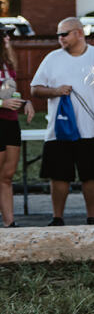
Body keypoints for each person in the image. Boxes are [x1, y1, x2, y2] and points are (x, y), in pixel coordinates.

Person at [30, 16, 94, 226]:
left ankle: (92, 218)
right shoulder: (52, 58)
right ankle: (57, 218)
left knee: (92, 177)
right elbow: (35, 89)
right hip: (60, 130)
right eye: (58, 35)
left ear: (79, 33)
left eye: (64, 34)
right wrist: (55, 91)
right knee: (59, 176)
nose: (60, 38)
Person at [0, 27, 35, 226]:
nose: (8, 37)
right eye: (3, 34)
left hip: (11, 123)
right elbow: (3, 100)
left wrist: (24, 102)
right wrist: (1, 104)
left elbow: (10, 94)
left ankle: (9, 223)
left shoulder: (8, 62)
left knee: (7, 176)